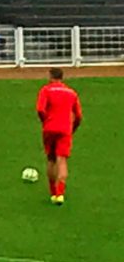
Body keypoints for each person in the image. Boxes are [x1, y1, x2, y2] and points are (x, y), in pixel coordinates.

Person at [36, 67, 83, 206]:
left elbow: (40, 109)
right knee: (61, 160)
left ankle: (52, 193)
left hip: (49, 128)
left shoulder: (46, 90)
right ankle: (60, 194)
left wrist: (45, 121)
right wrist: (73, 128)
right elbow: (79, 116)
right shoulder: (71, 93)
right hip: (65, 129)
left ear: (51, 77)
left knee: (51, 159)